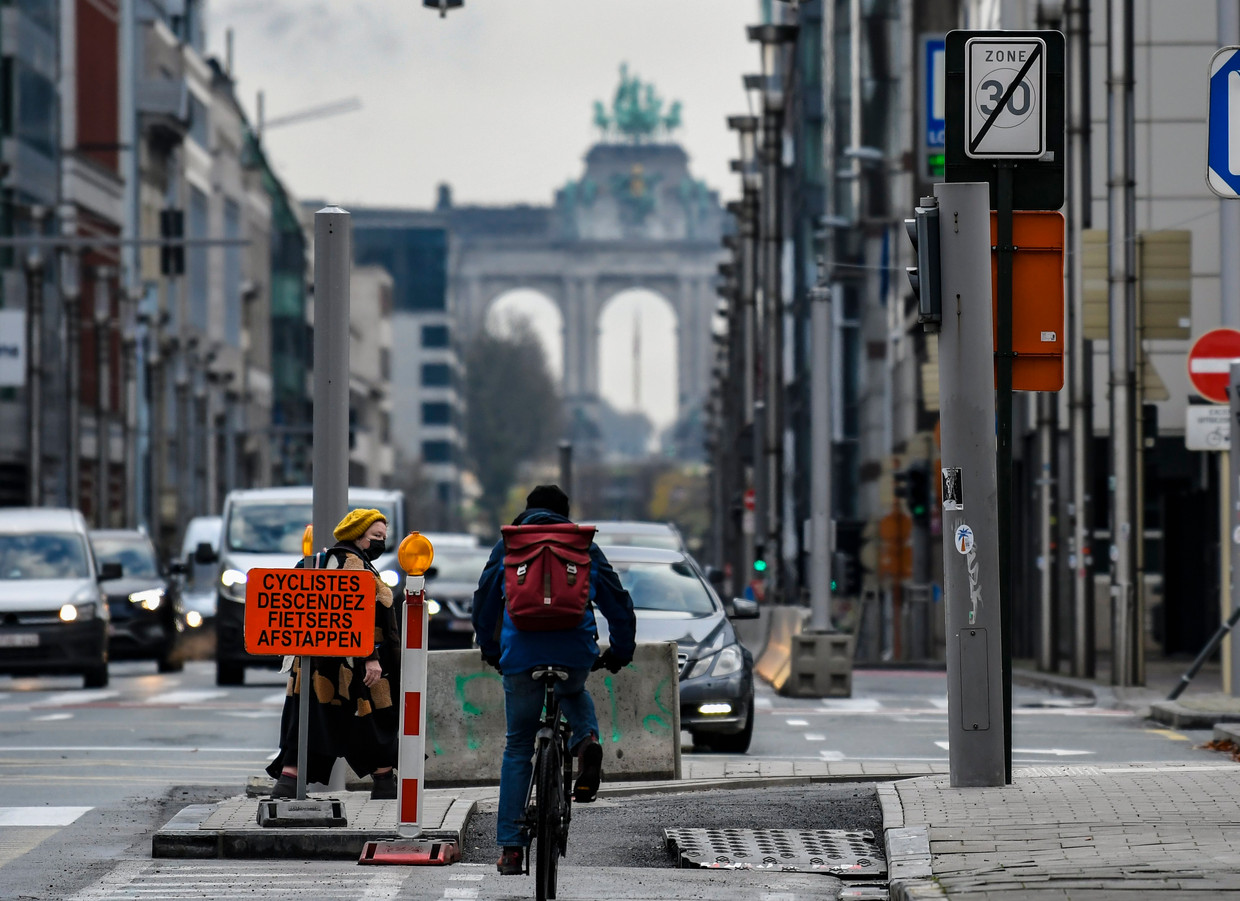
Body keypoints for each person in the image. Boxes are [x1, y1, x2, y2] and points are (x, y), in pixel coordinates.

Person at [472, 484, 637, 876]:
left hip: (521, 652)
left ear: (527, 510)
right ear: (566, 513)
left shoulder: (510, 545)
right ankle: (586, 743)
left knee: (517, 747)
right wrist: (620, 651)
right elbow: (617, 600)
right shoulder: (582, 546)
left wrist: (491, 650)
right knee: (573, 689)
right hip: (573, 649)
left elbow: (484, 599)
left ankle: (511, 848)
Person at [266, 508, 402, 801]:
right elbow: (359, 615)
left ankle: (288, 782)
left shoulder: (318, 563)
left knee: (310, 720)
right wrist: (371, 657)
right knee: (374, 718)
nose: (381, 542)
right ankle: (384, 783)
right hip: (355, 663)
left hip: (313, 665)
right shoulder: (354, 566)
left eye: (384, 536)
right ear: (358, 536)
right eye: (376, 536)